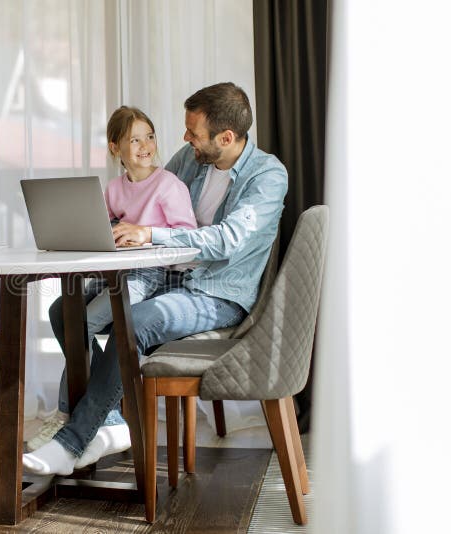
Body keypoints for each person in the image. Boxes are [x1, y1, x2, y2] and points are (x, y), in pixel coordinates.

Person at [23, 82, 288, 476]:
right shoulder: (192, 158)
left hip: (218, 293)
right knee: (65, 309)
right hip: (166, 277)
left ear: (226, 137)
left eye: (194, 132)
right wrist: (106, 225)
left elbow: (228, 240)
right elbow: (148, 192)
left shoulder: (267, 176)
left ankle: (75, 438)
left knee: (137, 321)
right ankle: (110, 422)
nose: (184, 139)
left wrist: (150, 234)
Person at [25, 105, 196, 453]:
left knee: (84, 323)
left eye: (149, 136)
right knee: (61, 311)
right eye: (134, 139)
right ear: (115, 147)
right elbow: (98, 225)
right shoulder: (115, 188)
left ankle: (66, 415)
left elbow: (188, 236)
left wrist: (146, 234)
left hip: (152, 276)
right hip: (115, 272)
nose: (145, 145)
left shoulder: (168, 185)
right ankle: (107, 413)